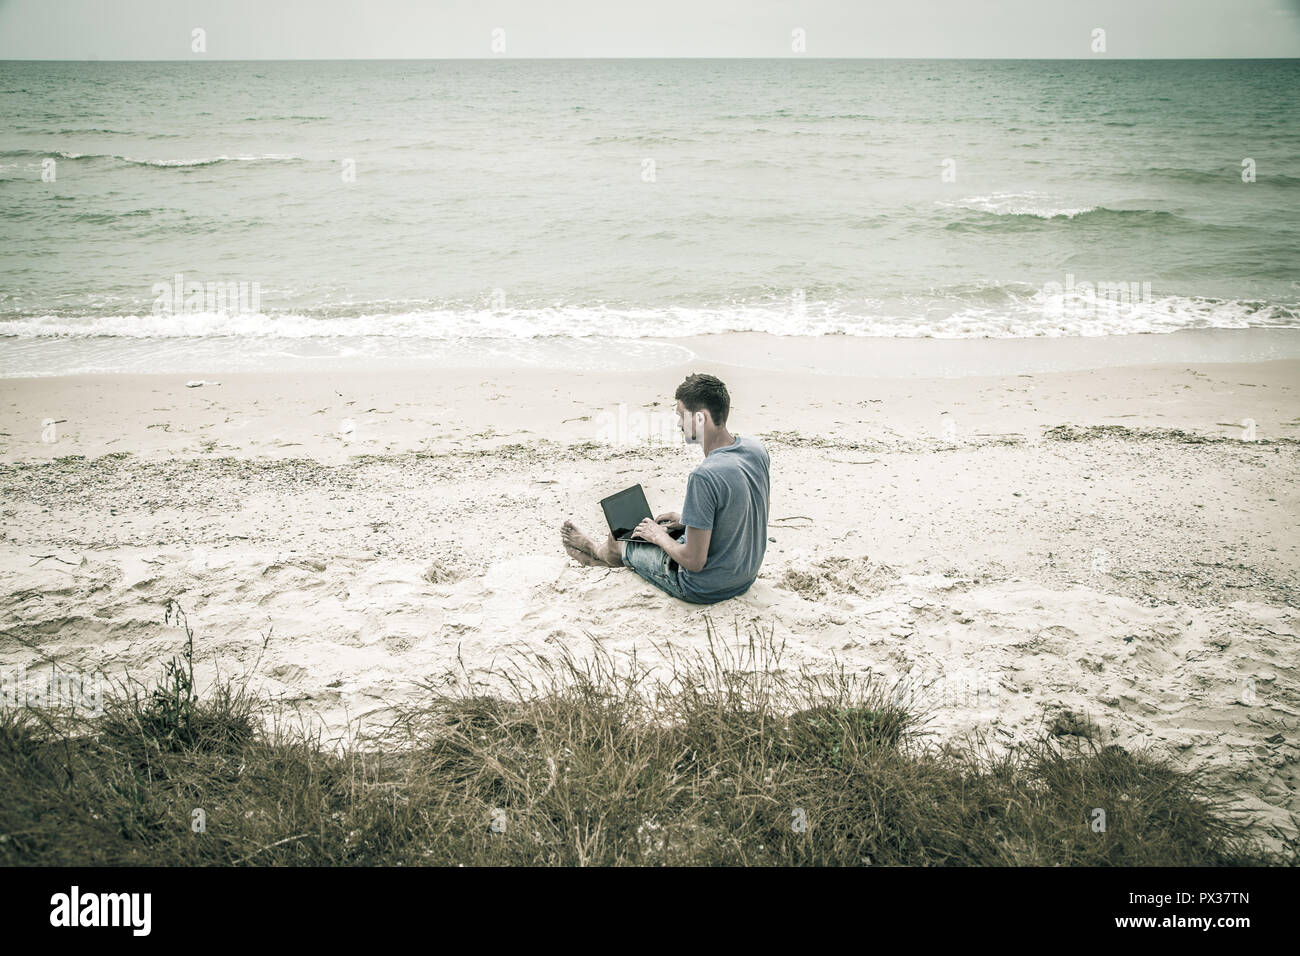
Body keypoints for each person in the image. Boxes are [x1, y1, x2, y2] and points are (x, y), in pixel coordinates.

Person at [560, 373, 770, 604]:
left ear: (701, 418)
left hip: (705, 587)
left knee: (619, 540)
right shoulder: (755, 449)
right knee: (651, 531)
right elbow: (738, 507)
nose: (679, 424)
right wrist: (689, 521)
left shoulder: (704, 476)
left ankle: (596, 552)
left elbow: (694, 562)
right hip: (745, 574)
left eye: (681, 415)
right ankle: (608, 555)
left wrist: (659, 537)